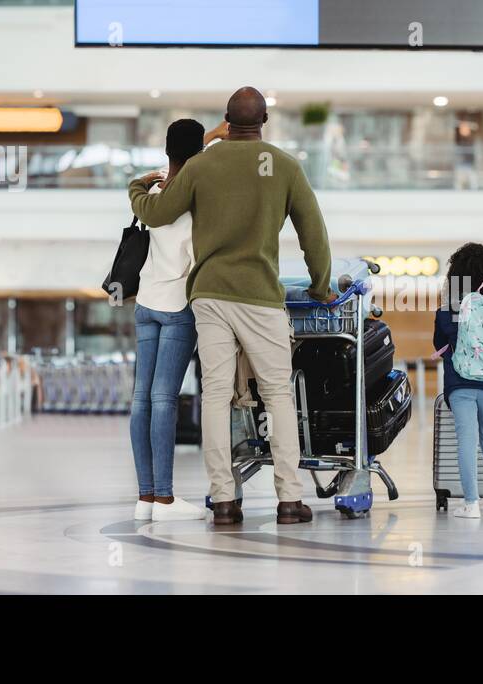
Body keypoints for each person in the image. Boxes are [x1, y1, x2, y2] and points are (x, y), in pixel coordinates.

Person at [130, 87, 332, 526]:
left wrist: (137, 190)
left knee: (217, 397)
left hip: (210, 296)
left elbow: (160, 212)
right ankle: (288, 500)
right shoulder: (284, 165)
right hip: (259, 295)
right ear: (264, 120)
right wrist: (320, 286)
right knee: (278, 394)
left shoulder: (202, 164)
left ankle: (223, 500)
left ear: (226, 119)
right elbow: (313, 232)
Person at [129, 118, 228, 522]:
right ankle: (166, 500)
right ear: (200, 155)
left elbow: (168, 168)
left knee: (141, 400)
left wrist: (208, 138)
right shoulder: (197, 197)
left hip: (146, 302)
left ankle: (145, 498)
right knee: (164, 399)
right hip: (177, 309)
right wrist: (214, 140)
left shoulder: (153, 190)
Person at [433, 243, 483, 519]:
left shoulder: (450, 309)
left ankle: (471, 504)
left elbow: (439, 345)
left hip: (462, 382)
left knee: (466, 440)